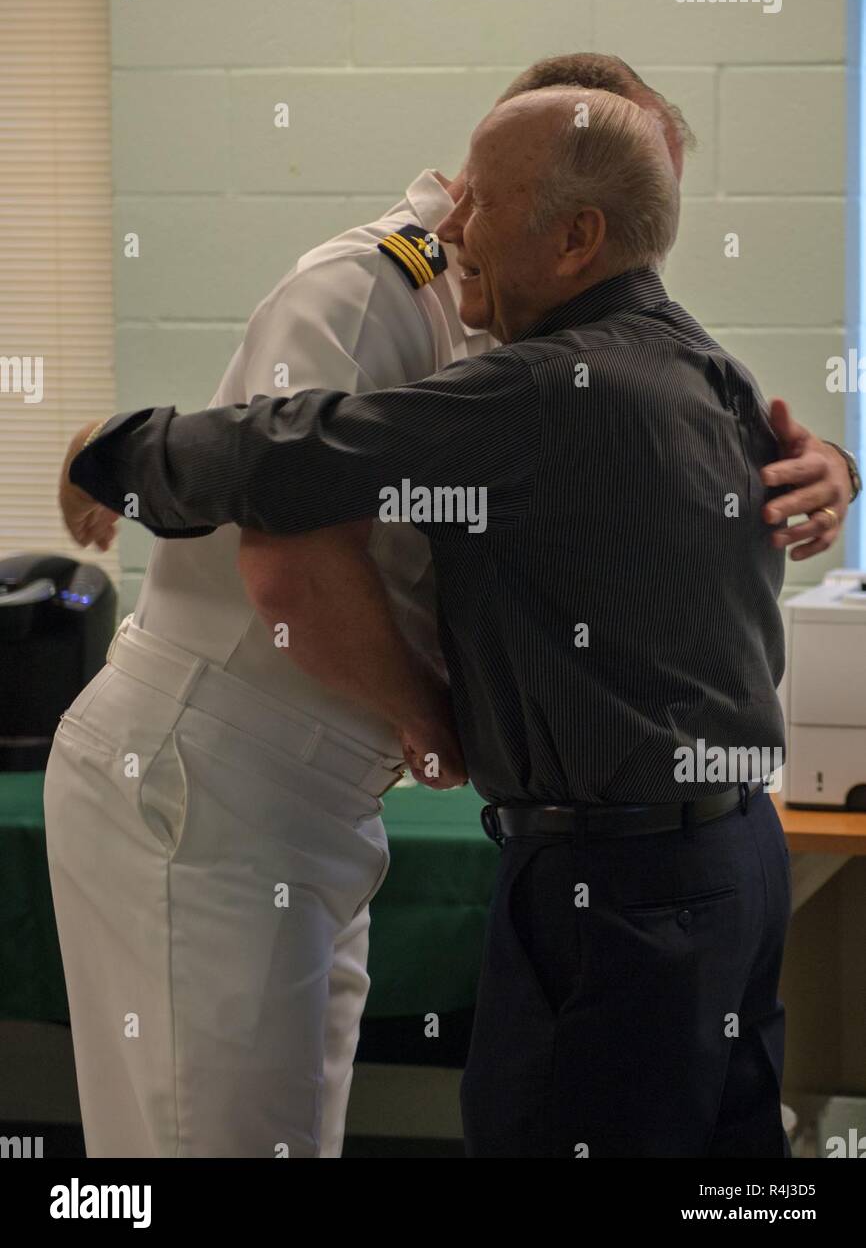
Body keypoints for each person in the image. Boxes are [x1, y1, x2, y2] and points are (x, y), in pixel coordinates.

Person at [62, 86, 859, 1157]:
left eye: (482, 199)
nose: (449, 222)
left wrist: (111, 449)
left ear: (577, 237)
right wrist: (841, 468)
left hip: (613, 882)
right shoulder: (698, 361)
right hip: (725, 856)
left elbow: (283, 456)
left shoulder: (536, 385)